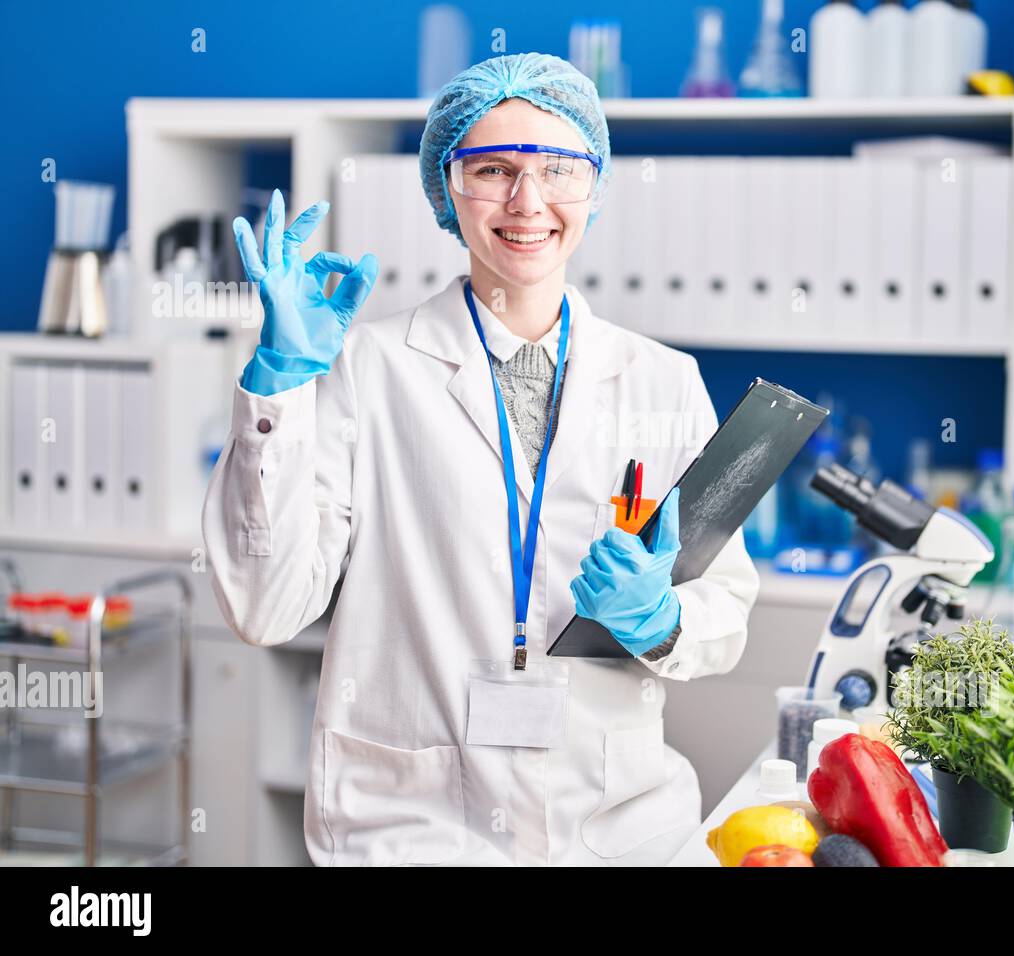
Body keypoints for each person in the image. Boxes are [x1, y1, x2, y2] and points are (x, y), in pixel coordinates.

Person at [201, 52, 759, 866]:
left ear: (595, 188)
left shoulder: (663, 381)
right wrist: (281, 383)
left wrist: (665, 619)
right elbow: (264, 608)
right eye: (492, 169)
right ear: (445, 189)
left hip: (622, 826)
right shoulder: (370, 366)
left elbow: (727, 608)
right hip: (413, 826)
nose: (527, 202)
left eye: (559, 169)